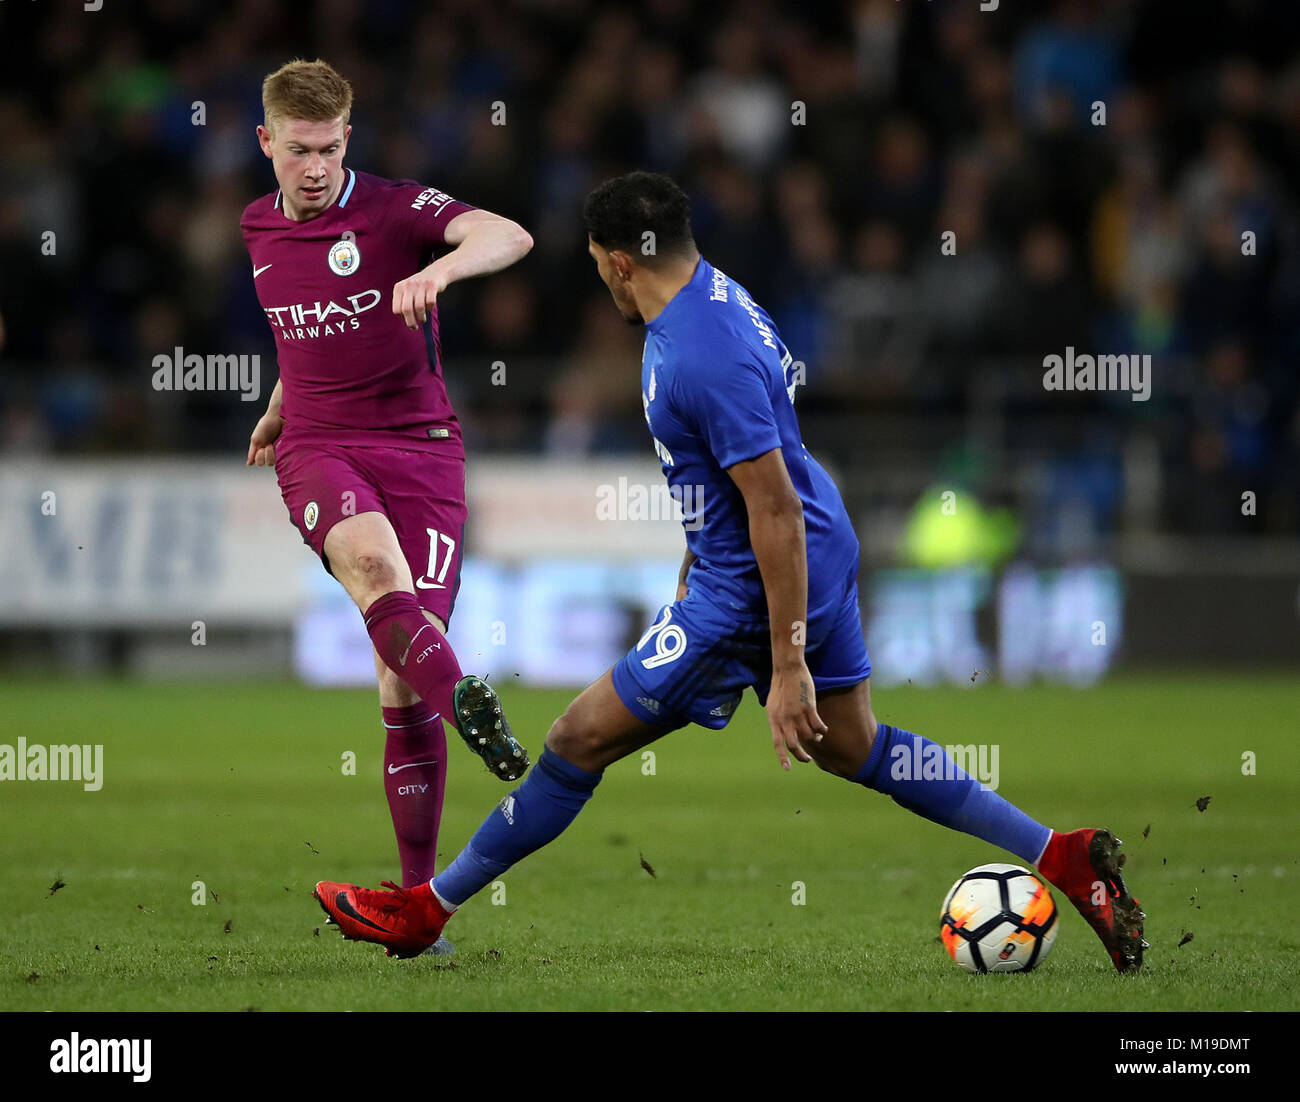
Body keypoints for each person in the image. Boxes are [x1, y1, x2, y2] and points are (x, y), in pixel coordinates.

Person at [313, 171, 1146, 973]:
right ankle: (1061, 856)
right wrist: (693, 564)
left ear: (617, 260)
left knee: (574, 741)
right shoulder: (717, 294)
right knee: (857, 746)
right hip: (815, 548)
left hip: (757, 584)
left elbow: (770, 507)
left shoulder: (694, 355)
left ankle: (426, 911)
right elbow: (728, 477)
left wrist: (785, 667)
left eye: (598, 263)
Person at [241, 59, 533, 943]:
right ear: (267, 143)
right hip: (320, 448)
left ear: (348, 140)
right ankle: (471, 701)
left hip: (424, 453)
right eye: (300, 151)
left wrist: (444, 274)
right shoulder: (255, 228)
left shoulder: (396, 208)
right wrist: (279, 410)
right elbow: (304, 336)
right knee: (372, 568)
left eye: (330, 148)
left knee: (402, 678)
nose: (317, 167)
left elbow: (509, 234)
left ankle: (416, 912)